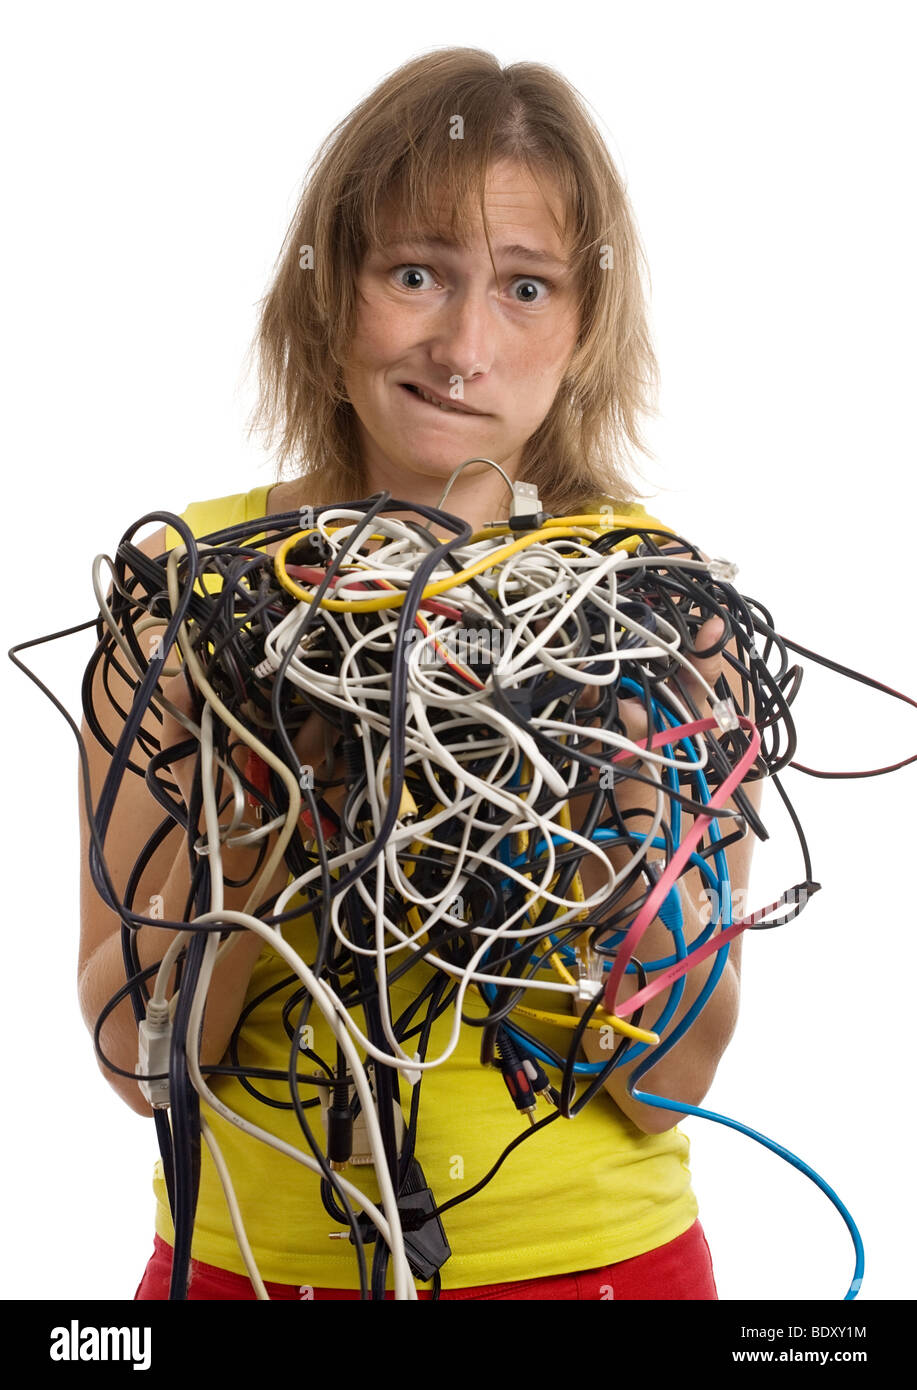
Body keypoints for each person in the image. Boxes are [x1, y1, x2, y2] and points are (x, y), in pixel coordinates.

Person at [78, 47, 762, 1300]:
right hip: (249, 1271)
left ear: (582, 328)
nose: (462, 346)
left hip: (599, 1274)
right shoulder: (190, 592)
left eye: (525, 287)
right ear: (329, 287)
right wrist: (274, 788)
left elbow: (667, 1081)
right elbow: (137, 1061)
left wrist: (603, 800)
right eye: (414, 274)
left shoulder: (655, 606)